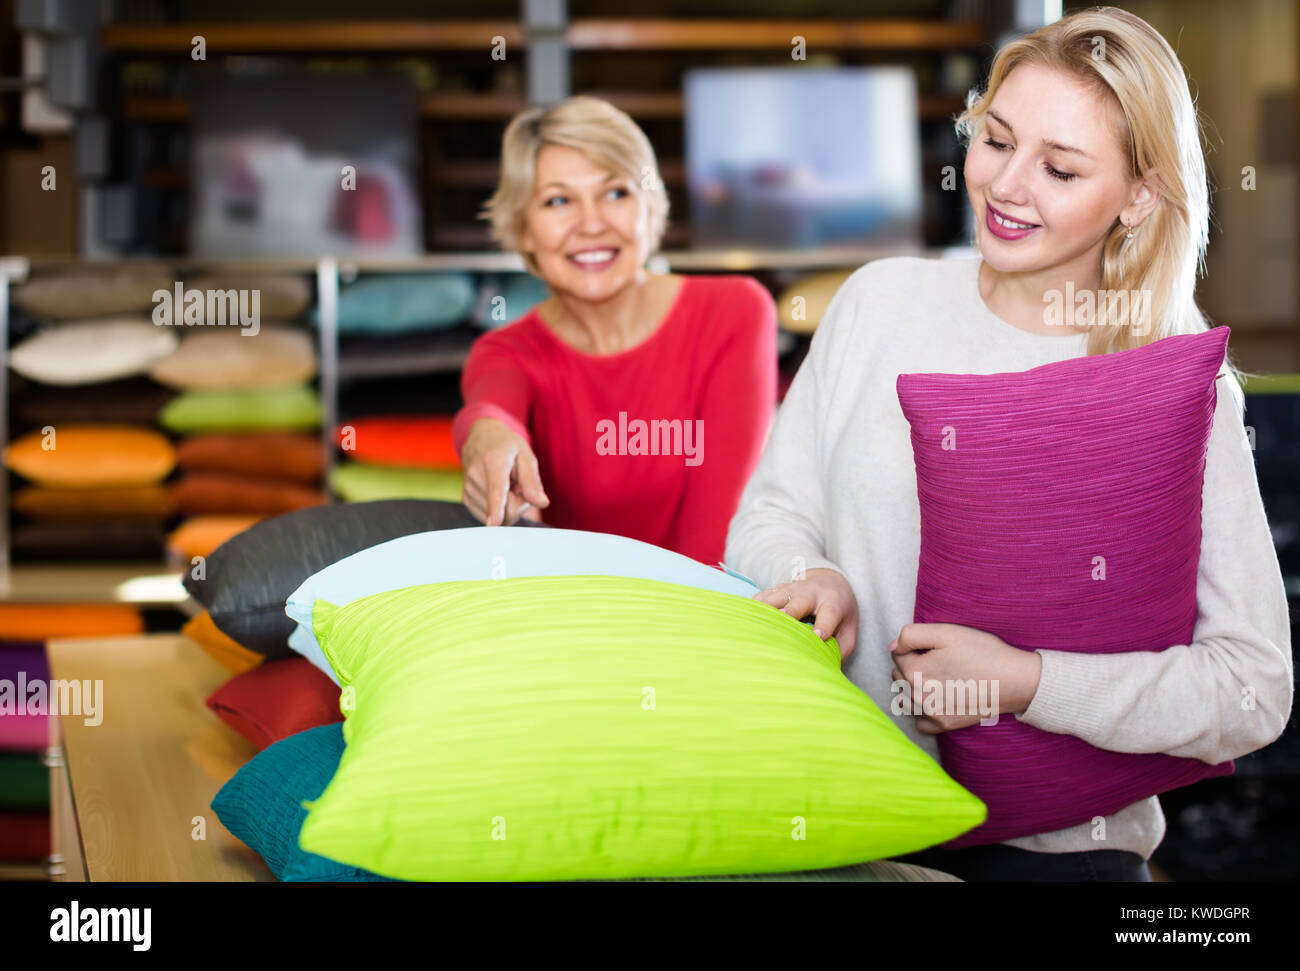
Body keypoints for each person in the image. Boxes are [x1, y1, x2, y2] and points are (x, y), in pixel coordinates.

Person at [724, 6, 1292, 881]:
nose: (1005, 184)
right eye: (995, 140)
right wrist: (814, 573)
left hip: (1054, 855)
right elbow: (771, 509)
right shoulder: (878, 301)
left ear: (1139, 196)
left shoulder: (1176, 386)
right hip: (841, 813)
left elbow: (1252, 687)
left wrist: (1028, 682)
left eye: (1059, 168)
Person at [453, 95, 776, 565]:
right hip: (573, 614)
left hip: (705, 612)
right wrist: (487, 440)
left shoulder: (735, 313)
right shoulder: (507, 351)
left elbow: (714, 541)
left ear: (651, 207)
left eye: (616, 193)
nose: (592, 224)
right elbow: (490, 409)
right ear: (524, 231)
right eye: (558, 200)